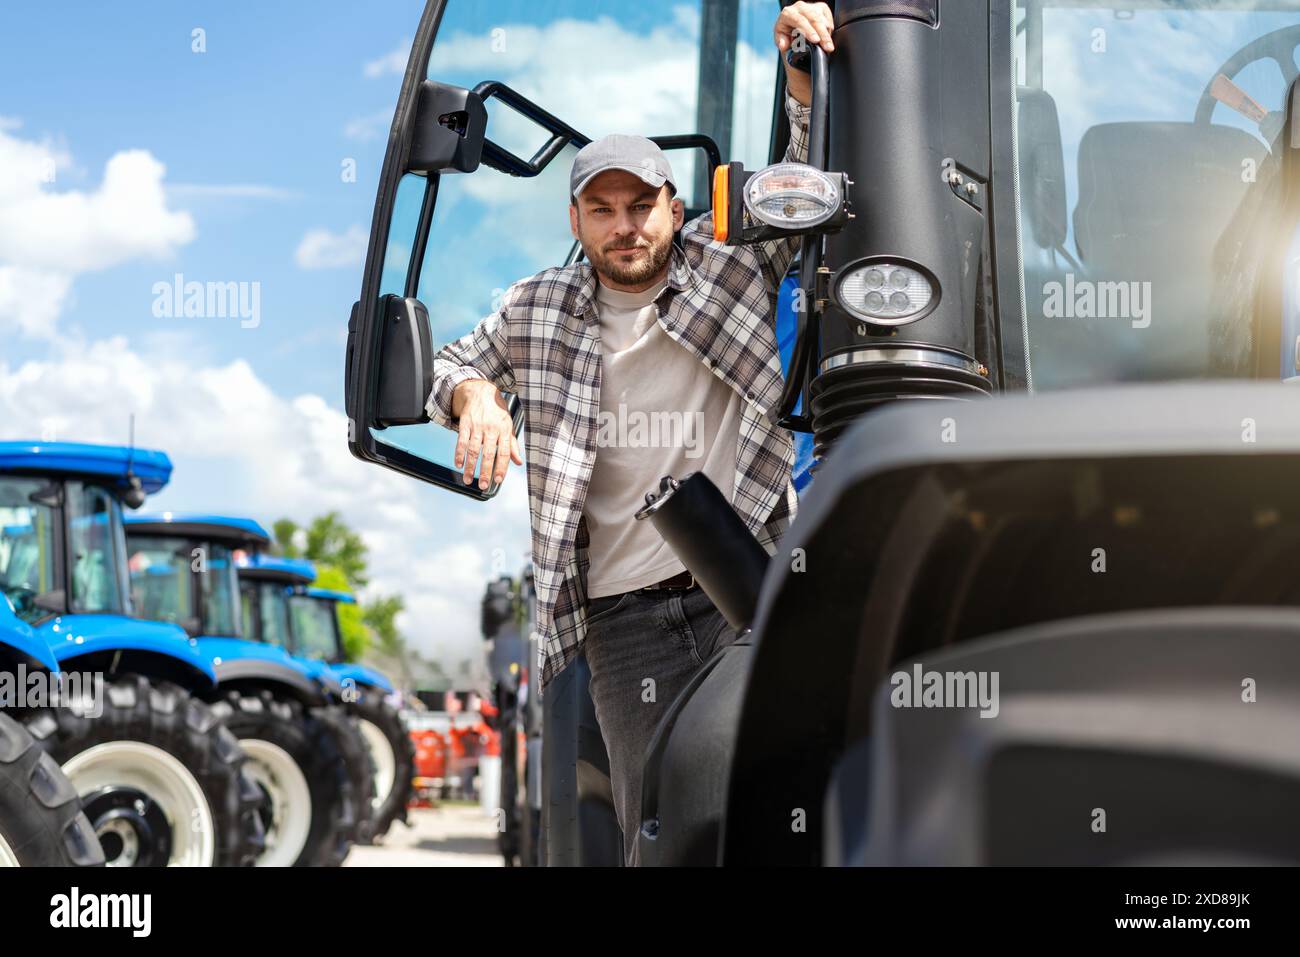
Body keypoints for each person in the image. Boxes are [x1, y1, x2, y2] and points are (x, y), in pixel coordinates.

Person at [425, 2, 837, 865]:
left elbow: (804, 174)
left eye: (642, 204)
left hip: (745, 586)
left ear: (672, 205)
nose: (627, 225)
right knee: (659, 833)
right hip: (620, 624)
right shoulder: (535, 308)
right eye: (603, 208)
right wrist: (477, 399)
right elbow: (448, 362)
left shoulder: (730, 264)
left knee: (786, 809)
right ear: (576, 221)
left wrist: (801, 62)